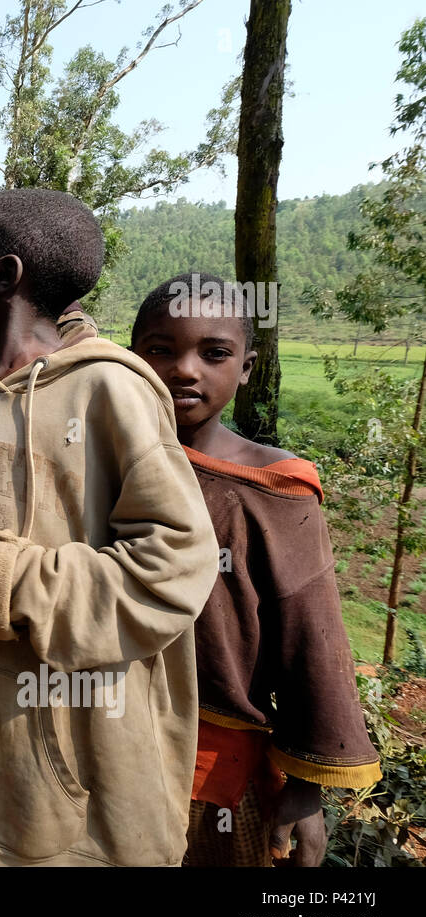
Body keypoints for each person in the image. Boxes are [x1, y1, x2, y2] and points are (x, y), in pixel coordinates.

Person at [0, 188, 219, 866]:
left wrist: (7, 580)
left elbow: (177, 563)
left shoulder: (109, 392)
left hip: (85, 770)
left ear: (5, 275)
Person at [130, 272, 381, 866]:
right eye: (160, 349)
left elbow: (311, 639)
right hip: (101, 738)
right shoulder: (104, 458)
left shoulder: (276, 489)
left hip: (216, 770)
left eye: (214, 353)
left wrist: (306, 788)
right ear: (131, 358)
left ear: (246, 366)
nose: (185, 370)